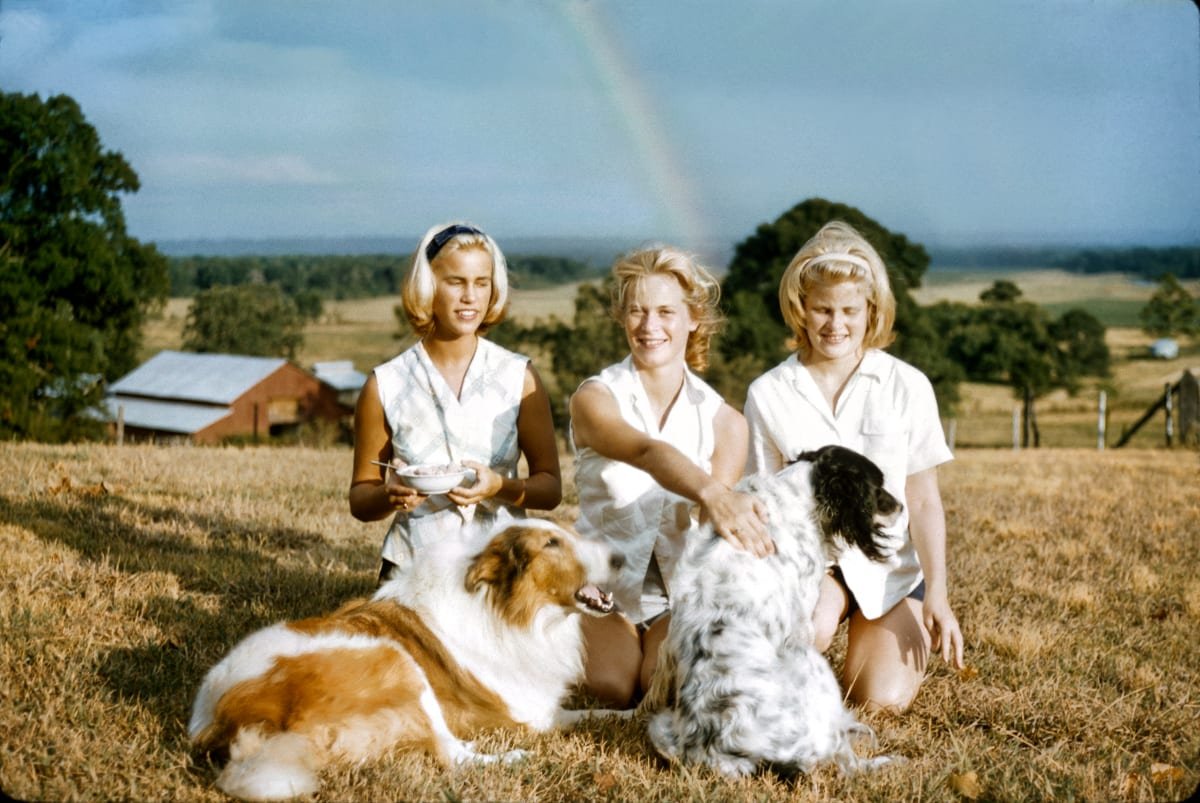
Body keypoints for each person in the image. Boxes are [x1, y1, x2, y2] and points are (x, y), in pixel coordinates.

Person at [743, 220, 965, 713]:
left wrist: (939, 598)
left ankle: (873, 647)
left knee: (878, 700)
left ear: (872, 311)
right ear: (801, 310)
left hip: (891, 567)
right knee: (810, 628)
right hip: (810, 566)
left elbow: (925, 501)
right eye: (822, 309)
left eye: (849, 310)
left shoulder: (908, 385)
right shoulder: (769, 393)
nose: (835, 324)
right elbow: (763, 507)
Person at [569, 246, 772, 708]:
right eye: (637, 312)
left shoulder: (726, 423)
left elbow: (709, 532)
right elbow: (645, 450)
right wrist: (711, 491)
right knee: (612, 689)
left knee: (666, 689)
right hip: (599, 589)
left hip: (678, 599)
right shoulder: (595, 398)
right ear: (622, 317)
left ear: (693, 318)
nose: (649, 327)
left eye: (665, 312)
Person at [349, 222, 562, 582]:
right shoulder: (384, 383)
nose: (471, 297)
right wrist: (390, 496)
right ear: (427, 286)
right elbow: (360, 500)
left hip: (501, 571)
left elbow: (551, 489)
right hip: (412, 570)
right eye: (456, 282)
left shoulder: (518, 376)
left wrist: (500, 487)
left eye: (482, 283)